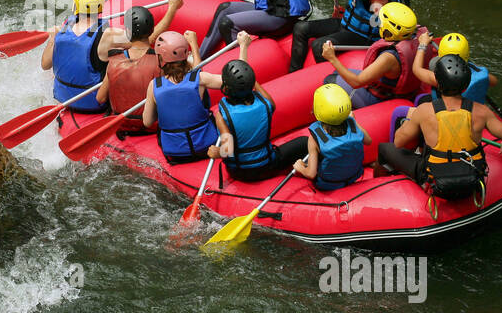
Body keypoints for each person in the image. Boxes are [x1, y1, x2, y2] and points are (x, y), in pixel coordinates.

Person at [377, 56, 502, 203]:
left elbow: (398, 142)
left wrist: (414, 124)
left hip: (436, 182)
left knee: (384, 148)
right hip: (472, 181)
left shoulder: (424, 111)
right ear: (466, 84)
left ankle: (380, 190)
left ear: (438, 83)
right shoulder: (482, 111)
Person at [205, 36, 306, 182]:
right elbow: (269, 101)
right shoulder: (266, 105)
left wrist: (217, 153)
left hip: (239, 172)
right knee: (304, 141)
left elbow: (227, 151)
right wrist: (250, 80)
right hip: (268, 166)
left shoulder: (222, 114)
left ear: (226, 88)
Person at [97, 0, 185, 131]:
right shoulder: (161, 62)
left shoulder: (113, 61)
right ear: (152, 31)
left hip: (120, 124)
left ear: (127, 32)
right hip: (150, 126)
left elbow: (101, 98)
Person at [320, 2, 434, 108]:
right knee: (337, 73)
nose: (379, 24)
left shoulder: (389, 57)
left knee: (330, 79)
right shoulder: (419, 36)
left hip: (384, 97)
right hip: (408, 88)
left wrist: (332, 58)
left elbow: (356, 82)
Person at [144, 29, 230, 163]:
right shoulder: (200, 79)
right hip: (206, 148)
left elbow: (148, 122)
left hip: (175, 155)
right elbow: (233, 82)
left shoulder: (154, 86)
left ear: (160, 58)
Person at [41, 0, 125, 114]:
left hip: (63, 100)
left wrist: (52, 39)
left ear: (76, 4)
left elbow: (45, 65)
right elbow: (142, 41)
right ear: (101, 4)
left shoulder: (62, 30)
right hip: (94, 104)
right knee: (121, 56)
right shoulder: (108, 35)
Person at [289, 84, 372, 191]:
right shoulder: (352, 124)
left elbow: (311, 174)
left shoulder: (314, 138)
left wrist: (300, 167)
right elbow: (368, 141)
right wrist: (353, 122)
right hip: (354, 177)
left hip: (328, 185)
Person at [412, 31, 498, 104]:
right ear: (467, 54)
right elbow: (494, 82)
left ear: (440, 56)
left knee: (420, 98)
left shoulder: (440, 79)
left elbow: (417, 69)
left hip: (450, 115)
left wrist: (422, 44)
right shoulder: (481, 73)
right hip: (475, 112)